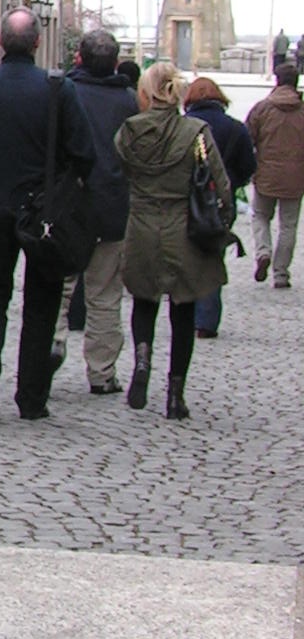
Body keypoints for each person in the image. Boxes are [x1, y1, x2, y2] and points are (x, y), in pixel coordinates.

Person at [0, 5, 96, 420]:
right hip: (44, 213)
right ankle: (31, 395)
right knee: (42, 301)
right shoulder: (57, 89)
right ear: (36, 42)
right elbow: (84, 153)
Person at [116, 61, 231, 419]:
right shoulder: (196, 132)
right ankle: (175, 394)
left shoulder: (130, 132)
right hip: (184, 227)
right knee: (183, 309)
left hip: (142, 225)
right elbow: (220, 182)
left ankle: (142, 361)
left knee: (144, 301)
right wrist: (223, 219)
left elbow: (120, 169)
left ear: (147, 92)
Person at [54, 28, 137, 393]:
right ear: (115, 63)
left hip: (69, 205)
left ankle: (52, 346)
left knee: (59, 286)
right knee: (105, 295)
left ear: (78, 59)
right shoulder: (130, 102)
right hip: (112, 207)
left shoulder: (62, 94)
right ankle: (102, 372)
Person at [184, 76, 256, 336]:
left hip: (188, 200)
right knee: (213, 256)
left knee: (187, 254)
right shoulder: (235, 128)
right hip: (220, 202)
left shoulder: (184, 126)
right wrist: (231, 181)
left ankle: (186, 314)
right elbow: (249, 166)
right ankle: (206, 321)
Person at [246, 62, 304, 291]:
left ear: (277, 80)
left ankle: (263, 252)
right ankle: (281, 274)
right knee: (288, 225)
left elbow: (247, 139)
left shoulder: (262, 108)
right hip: (296, 177)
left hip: (266, 175)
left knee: (260, 216)